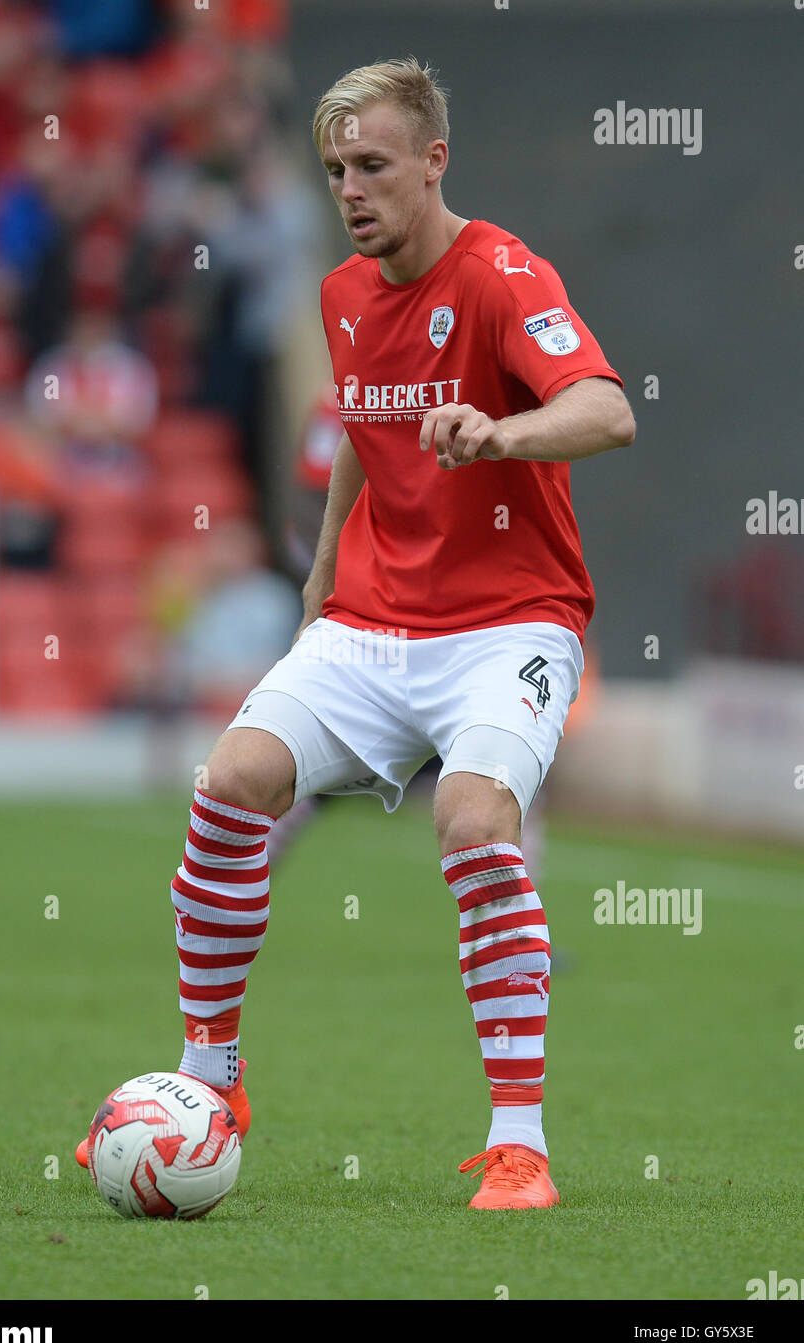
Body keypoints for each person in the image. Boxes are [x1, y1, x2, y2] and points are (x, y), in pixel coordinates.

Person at [78, 56, 635, 1208]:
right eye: (336, 170)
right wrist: (327, 569)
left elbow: (607, 410)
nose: (352, 189)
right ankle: (210, 1078)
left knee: (474, 817)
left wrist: (502, 432)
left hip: (509, 622)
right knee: (231, 780)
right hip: (372, 622)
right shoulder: (341, 295)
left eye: (374, 165)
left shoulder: (503, 274)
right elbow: (356, 446)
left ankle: (519, 1143)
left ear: (436, 160)